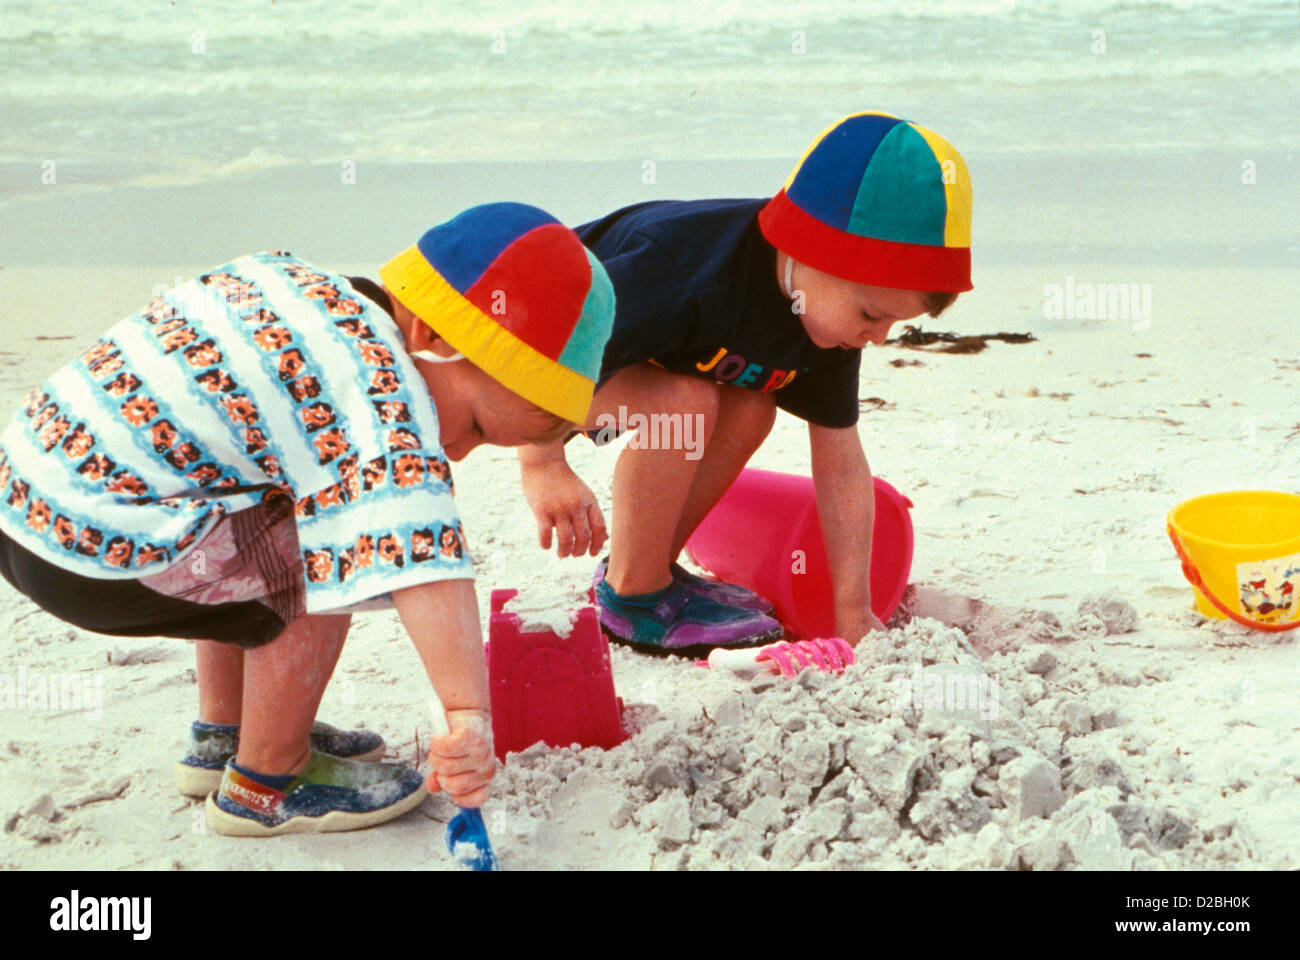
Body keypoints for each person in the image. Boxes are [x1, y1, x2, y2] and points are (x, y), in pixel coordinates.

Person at [0, 203, 615, 835]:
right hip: (102, 549)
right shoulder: (383, 397)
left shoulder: (305, 289)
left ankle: (225, 731)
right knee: (332, 540)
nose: (457, 452)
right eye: (481, 427)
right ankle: (269, 776)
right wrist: (467, 713)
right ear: (434, 339)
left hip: (31, 505)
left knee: (254, 498)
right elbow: (424, 566)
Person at [518, 111, 971, 654]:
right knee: (685, 404)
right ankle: (633, 593)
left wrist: (852, 610)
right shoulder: (684, 268)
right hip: (529, 347)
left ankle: (651, 568)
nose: (877, 337)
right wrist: (543, 463)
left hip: (616, 365)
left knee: (752, 406)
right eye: (873, 314)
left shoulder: (825, 322)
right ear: (812, 255)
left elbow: (842, 462)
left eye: (895, 324)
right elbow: (557, 345)